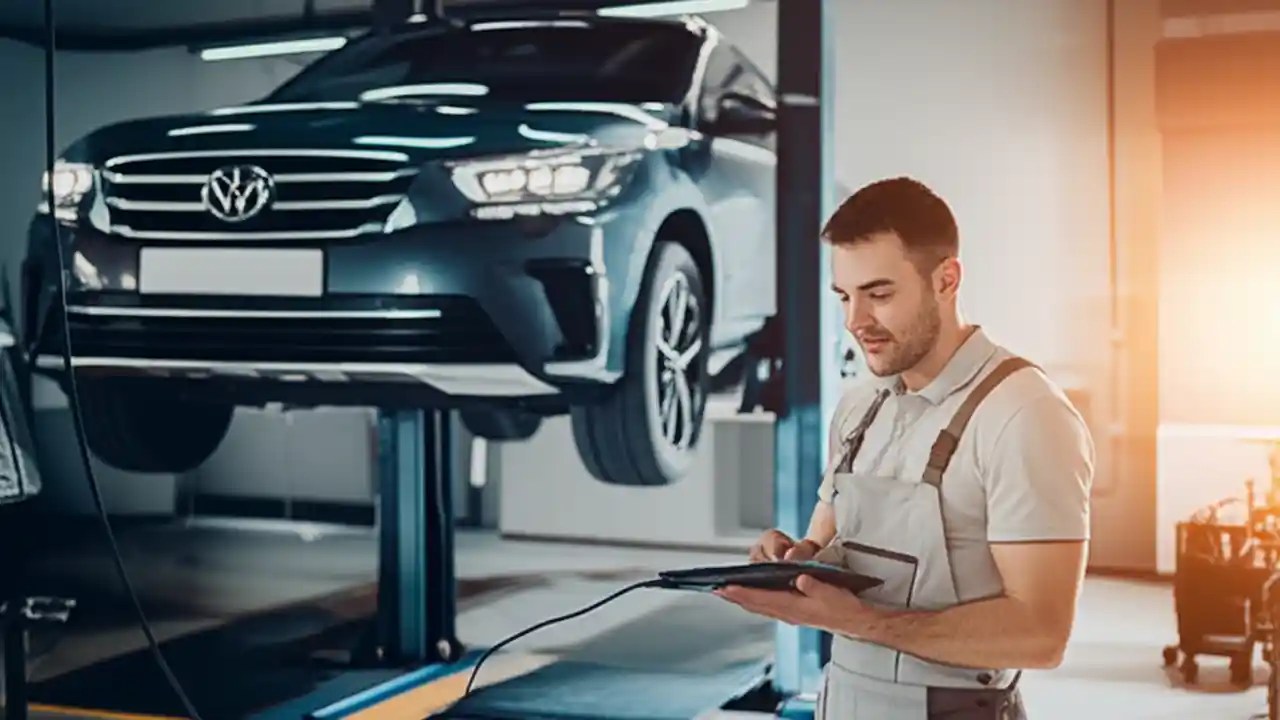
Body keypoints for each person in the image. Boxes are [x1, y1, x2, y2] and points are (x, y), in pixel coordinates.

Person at [716, 177, 1094, 719]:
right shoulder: (859, 407)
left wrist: (858, 622)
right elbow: (822, 547)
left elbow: (1041, 635)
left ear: (947, 279)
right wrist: (790, 565)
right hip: (842, 698)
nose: (855, 322)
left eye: (880, 294)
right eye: (845, 297)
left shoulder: (1025, 416)